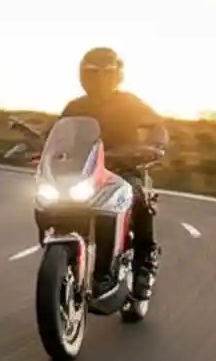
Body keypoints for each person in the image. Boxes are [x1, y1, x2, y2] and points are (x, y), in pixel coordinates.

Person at [59, 47, 169, 298]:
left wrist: (156, 145)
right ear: (83, 75)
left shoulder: (129, 102)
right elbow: (59, 134)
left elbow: (157, 126)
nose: (100, 79)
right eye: (93, 73)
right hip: (83, 173)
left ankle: (145, 262)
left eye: (106, 74)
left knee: (138, 197)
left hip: (124, 169)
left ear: (116, 75)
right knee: (52, 197)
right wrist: (43, 149)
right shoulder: (75, 106)